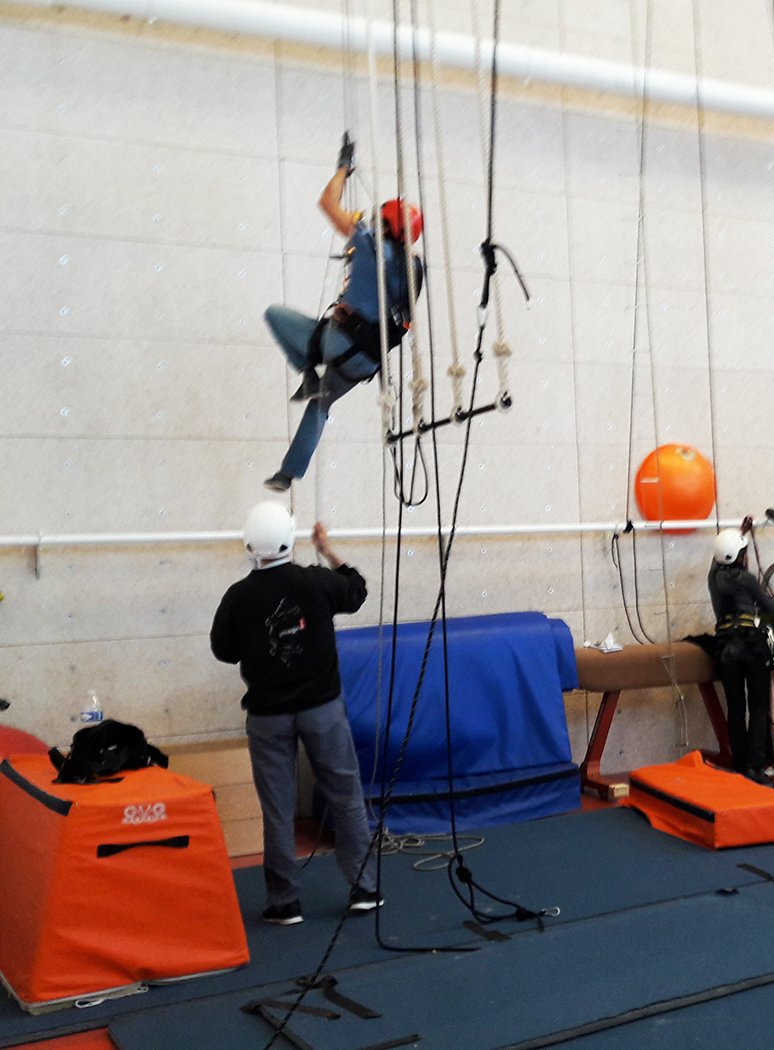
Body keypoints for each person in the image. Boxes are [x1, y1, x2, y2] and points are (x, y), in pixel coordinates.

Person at [210, 501, 381, 925]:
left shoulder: (238, 596)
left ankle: (284, 902)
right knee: (346, 796)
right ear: (291, 537)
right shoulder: (317, 582)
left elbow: (223, 650)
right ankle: (364, 888)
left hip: (268, 716)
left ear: (249, 544)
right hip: (322, 709)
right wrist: (327, 550)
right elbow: (356, 590)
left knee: (277, 808)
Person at [262, 135, 424, 492]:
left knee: (274, 314)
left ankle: (309, 372)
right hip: (366, 361)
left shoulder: (367, 240)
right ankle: (287, 474)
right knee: (320, 404)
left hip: (338, 341)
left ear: (384, 221)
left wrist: (343, 169)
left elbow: (327, 202)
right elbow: (404, 319)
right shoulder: (411, 267)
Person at [708, 528, 774, 782]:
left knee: (736, 708)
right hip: (751, 646)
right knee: (759, 707)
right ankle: (754, 765)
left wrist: (738, 533)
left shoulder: (712, 579)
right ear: (739, 556)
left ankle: (739, 763)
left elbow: (720, 556)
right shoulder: (746, 579)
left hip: (725, 648)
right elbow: (769, 606)